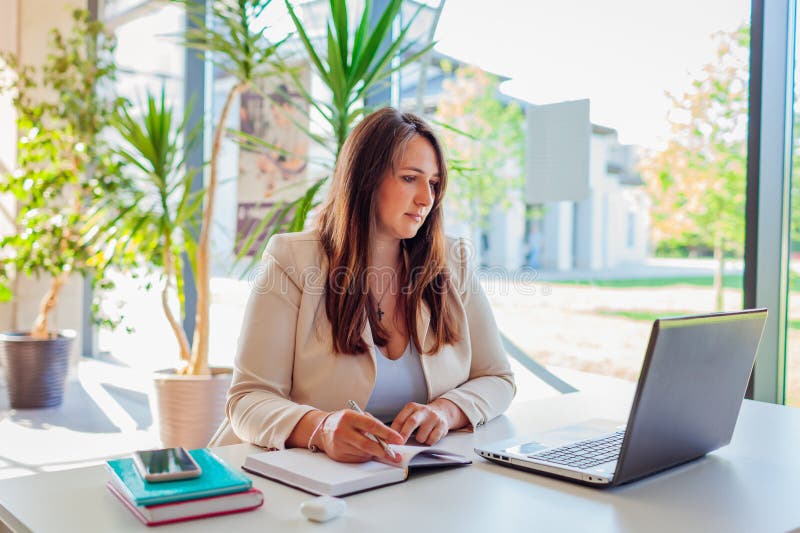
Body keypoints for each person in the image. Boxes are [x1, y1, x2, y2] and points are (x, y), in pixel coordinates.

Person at [210, 107, 516, 463]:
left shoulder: (453, 261)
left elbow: (497, 378)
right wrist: (321, 429)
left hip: (412, 478)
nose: (426, 198)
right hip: (304, 479)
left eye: (433, 183)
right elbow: (248, 399)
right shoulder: (291, 260)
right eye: (409, 178)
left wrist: (448, 411)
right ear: (366, 177)